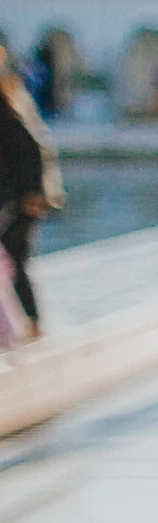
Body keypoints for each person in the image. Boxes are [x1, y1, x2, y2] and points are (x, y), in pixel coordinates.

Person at [0, 50, 63, 341]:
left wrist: (35, 193)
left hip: (22, 199)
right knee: (14, 259)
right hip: (19, 197)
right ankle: (28, 324)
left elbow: (33, 149)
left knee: (15, 258)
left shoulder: (8, 104)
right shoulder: (13, 100)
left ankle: (28, 324)